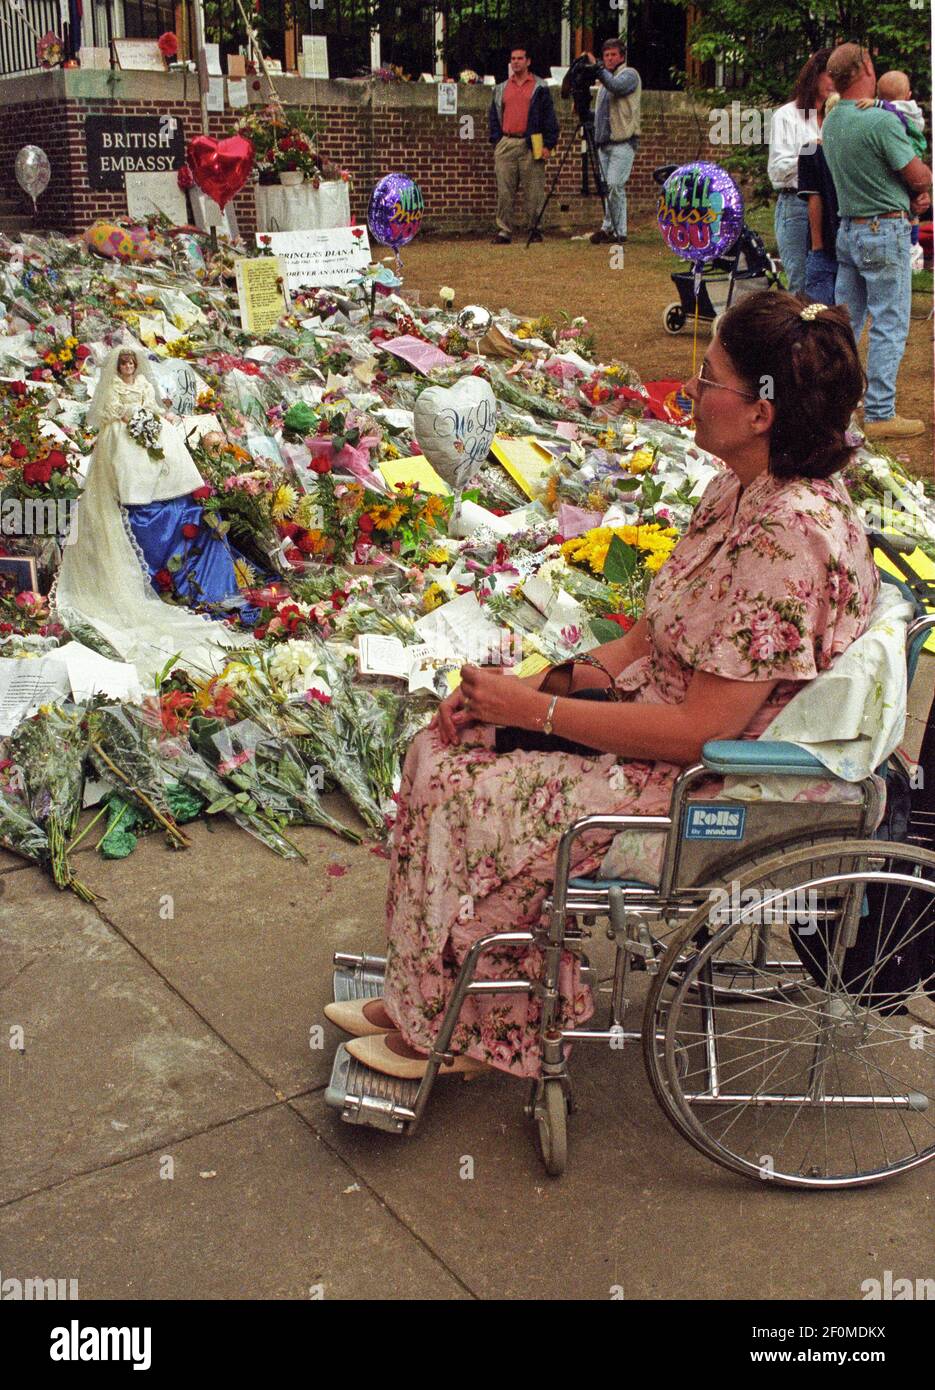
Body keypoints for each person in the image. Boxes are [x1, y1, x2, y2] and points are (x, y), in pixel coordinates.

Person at [325, 292, 880, 1081]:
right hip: (654, 729)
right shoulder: (739, 489)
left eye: (707, 377)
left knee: (463, 785)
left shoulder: (789, 535)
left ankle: (470, 1024)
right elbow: (646, 638)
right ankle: (432, 990)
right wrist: (543, 683)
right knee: (441, 742)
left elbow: (700, 730)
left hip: (705, 783)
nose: (689, 389)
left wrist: (540, 713)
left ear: (760, 411)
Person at [54, 345, 250, 684]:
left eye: (132, 362)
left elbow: (150, 403)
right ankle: (134, 492)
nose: (129, 367)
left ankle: (170, 487)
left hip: (147, 430)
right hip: (122, 432)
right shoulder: (114, 387)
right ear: (118, 366)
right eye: (125, 363)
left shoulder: (144, 384)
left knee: (164, 450)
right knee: (125, 460)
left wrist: (147, 416)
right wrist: (130, 418)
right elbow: (109, 411)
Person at [822, 43, 933, 441]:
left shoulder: (832, 119)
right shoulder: (882, 123)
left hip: (848, 229)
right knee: (889, 321)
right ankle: (881, 411)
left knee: (846, 324)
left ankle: (836, 406)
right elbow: (918, 175)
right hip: (882, 231)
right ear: (866, 66)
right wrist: (920, 189)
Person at [768, 49, 834, 295]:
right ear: (815, 76)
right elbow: (777, 170)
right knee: (802, 284)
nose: (835, 84)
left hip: (831, 205)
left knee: (831, 280)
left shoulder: (838, 117)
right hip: (796, 205)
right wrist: (810, 155)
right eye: (830, 76)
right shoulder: (787, 116)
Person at [857, 71, 928, 272]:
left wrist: (876, 104)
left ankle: (913, 245)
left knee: (911, 202)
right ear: (908, 94)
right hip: (913, 158)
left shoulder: (893, 111)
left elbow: (893, 111)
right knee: (913, 204)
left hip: (905, 157)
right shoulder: (913, 109)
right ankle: (913, 244)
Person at [488, 45, 559, 245]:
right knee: (504, 191)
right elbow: (493, 115)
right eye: (513, 58)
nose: (516, 61)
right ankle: (504, 230)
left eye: (520, 58)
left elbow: (549, 118)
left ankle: (534, 228)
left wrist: (548, 144)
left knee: (533, 190)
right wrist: (497, 140)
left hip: (531, 142)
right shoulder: (502, 88)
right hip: (506, 141)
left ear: (528, 61)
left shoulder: (539, 86)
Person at [584, 36, 641, 245]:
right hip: (605, 142)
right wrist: (585, 112)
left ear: (622, 56)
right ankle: (608, 227)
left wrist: (597, 67)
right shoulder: (604, 83)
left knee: (616, 184)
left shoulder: (629, 75)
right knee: (608, 187)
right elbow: (602, 114)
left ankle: (621, 230)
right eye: (606, 55)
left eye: (613, 55)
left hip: (623, 141)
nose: (609, 58)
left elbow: (617, 86)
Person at [797, 90, 841, 305]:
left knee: (820, 311)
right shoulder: (858, 151)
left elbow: (815, 200)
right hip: (852, 240)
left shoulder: (811, 151)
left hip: (824, 239)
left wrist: (816, 246)